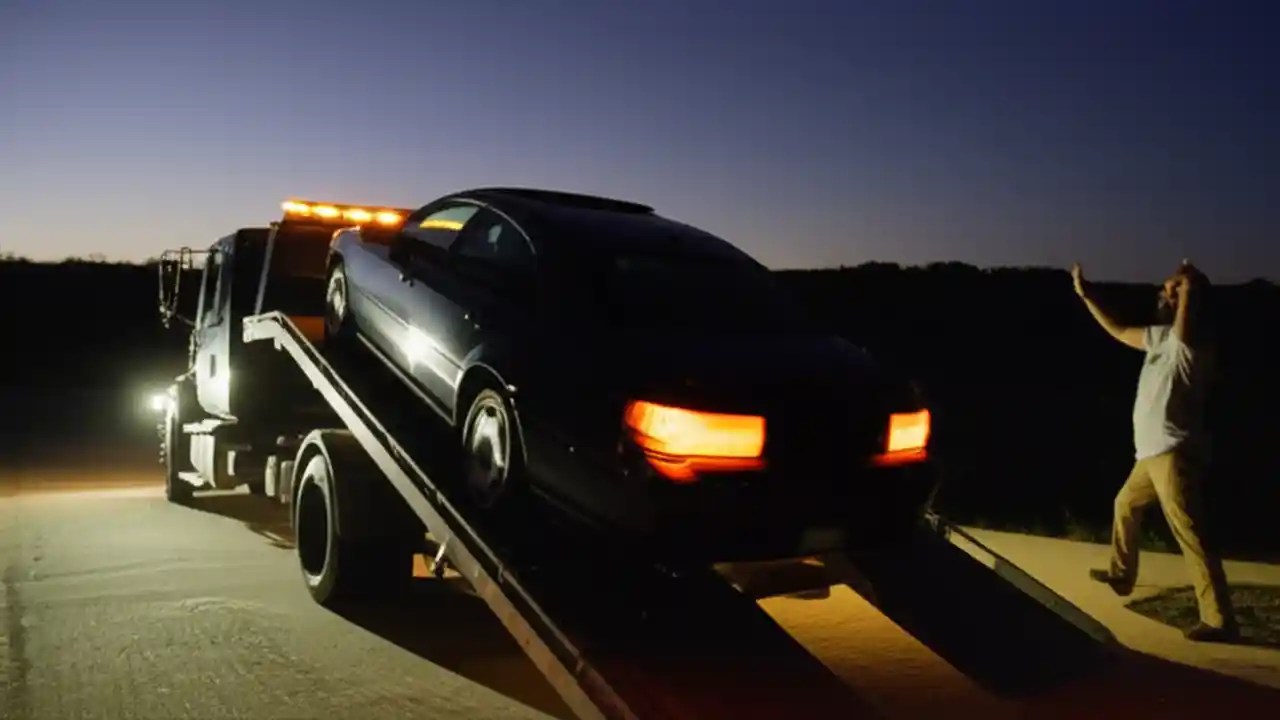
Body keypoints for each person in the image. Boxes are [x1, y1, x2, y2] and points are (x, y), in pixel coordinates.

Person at [1072, 259, 1237, 642]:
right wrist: (1087, 296)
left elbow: (1188, 312)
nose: (1165, 294)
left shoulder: (1192, 343)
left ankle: (1219, 620)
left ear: (1189, 301)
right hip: (1148, 455)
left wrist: (1188, 283)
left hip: (1173, 453)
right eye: (1165, 290)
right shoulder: (1159, 339)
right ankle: (1122, 573)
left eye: (1172, 291)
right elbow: (1115, 329)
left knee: (1190, 534)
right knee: (1124, 505)